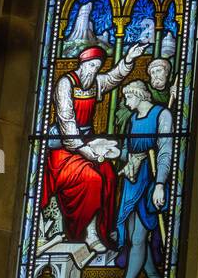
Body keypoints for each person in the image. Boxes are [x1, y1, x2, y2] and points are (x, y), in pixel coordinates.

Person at [43, 44, 146, 250]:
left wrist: (128, 60)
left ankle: (100, 230)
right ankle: (87, 234)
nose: (94, 71)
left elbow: (112, 78)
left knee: (108, 173)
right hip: (65, 147)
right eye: (91, 66)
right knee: (92, 179)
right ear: (82, 64)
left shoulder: (94, 83)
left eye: (97, 67)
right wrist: (84, 150)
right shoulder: (66, 84)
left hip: (88, 143)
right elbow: (67, 121)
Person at [108, 80, 172, 278]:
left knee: (138, 238)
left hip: (151, 179)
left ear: (139, 95)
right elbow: (127, 150)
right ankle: (154, 275)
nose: (126, 101)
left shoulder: (162, 115)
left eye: (129, 97)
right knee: (134, 235)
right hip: (132, 181)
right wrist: (110, 151)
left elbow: (165, 151)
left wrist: (160, 185)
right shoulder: (133, 120)